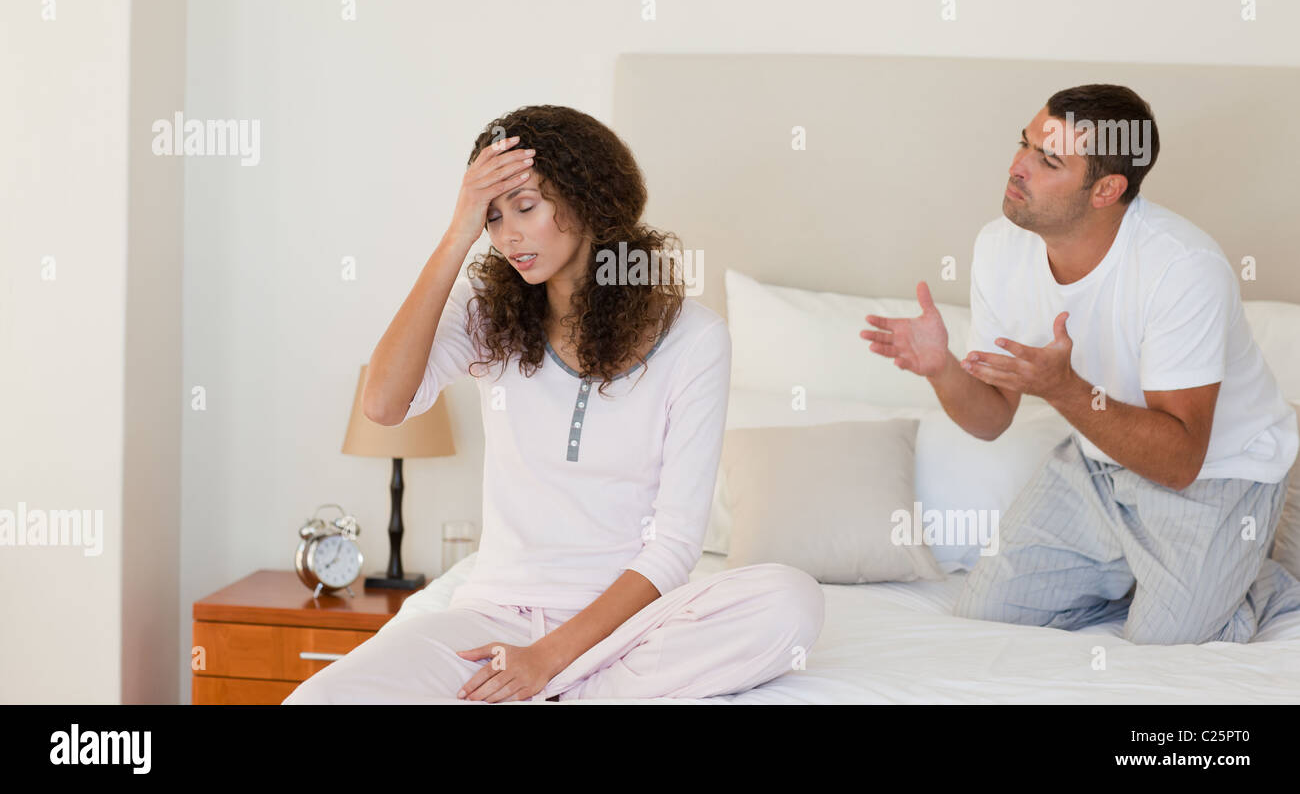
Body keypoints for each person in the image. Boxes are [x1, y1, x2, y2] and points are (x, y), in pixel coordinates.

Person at [284, 104, 823, 704]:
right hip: (491, 619)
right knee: (317, 700)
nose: (506, 234)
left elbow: (672, 548)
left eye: (525, 206)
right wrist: (456, 232)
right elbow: (383, 405)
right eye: (490, 216)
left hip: (629, 631)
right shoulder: (486, 312)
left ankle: (562, 688)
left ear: (588, 199)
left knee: (788, 600)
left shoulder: (694, 337)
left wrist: (544, 661)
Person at [861, 84, 1300, 645]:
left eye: (1048, 160)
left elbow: (1180, 460)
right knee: (987, 619)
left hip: (1217, 474)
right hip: (1099, 462)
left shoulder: (1183, 268)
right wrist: (941, 368)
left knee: (1161, 648)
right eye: (1025, 144)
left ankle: (1255, 576)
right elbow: (992, 419)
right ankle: (1151, 575)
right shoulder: (1000, 248)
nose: (1017, 166)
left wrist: (1064, 391)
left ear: (1106, 189)